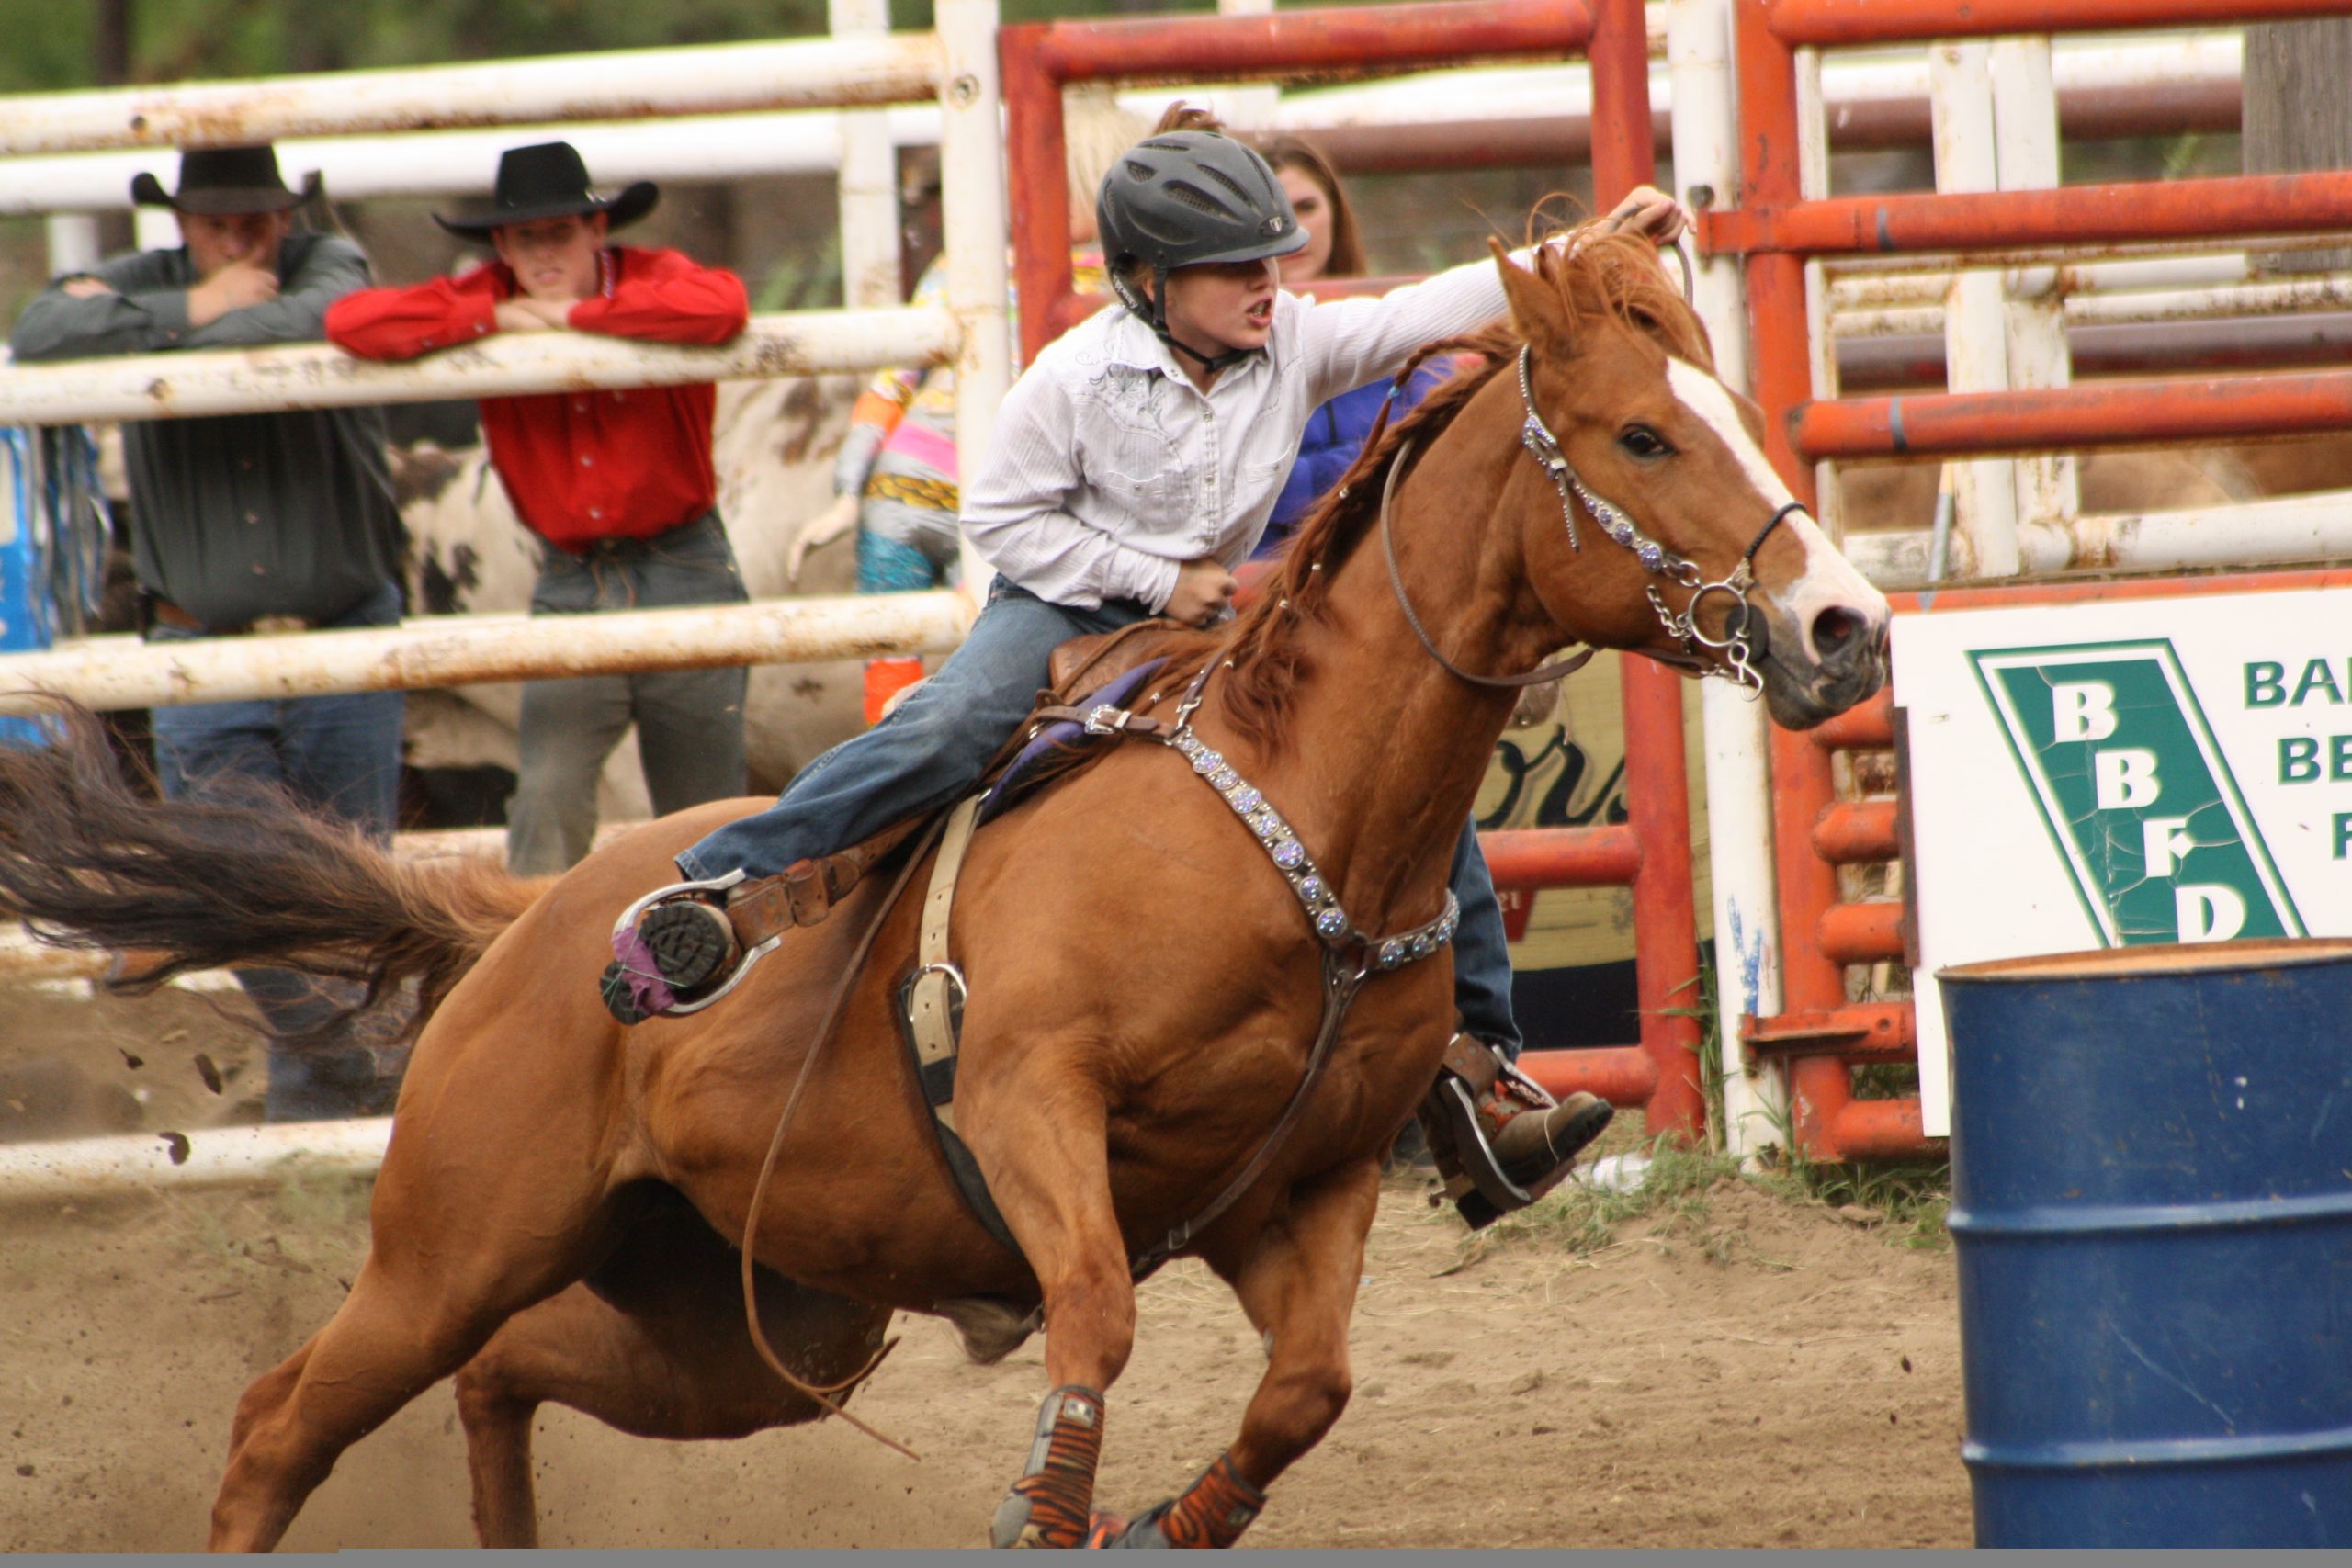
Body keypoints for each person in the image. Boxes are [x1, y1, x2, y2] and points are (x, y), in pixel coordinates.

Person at [611, 118, 1688, 1207]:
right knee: (949, 724)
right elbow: (1000, 516)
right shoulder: (1074, 376)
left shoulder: (1298, 343)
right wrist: (1154, 580)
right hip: (1065, 603)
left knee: (1407, 762)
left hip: (1209, 619)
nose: (1267, 285)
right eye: (1234, 271)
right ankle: (726, 880)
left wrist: (1598, 244)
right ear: (1147, 281)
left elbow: (1432, 306)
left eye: (1270, 259)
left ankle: (1480, 1077)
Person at [11, 144, 410, 1122]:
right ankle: (345, 1090)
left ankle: (317, 1112)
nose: (241, 237)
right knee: (237, 879)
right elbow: (43, 330)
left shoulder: (328, 265)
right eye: (220, 219)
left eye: (258, 217)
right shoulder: (161, 283)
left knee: (343, 877)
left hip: (335, 633)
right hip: (206, 642)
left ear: (286, 216)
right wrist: (198, 309)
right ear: (182, 222)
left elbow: (321, 317)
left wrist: (158, 335)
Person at [325, 141, 753, 876]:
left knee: (702, 805)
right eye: (528, 237)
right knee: (549, 796)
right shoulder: (493, 295)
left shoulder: (655, 276)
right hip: (572, 575)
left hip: (682, 560)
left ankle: (719, 964)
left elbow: (723, 305)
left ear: (596, 231)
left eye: (560, 232)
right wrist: (500, 317)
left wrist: (574, 317)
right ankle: (529, 969)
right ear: (502, 244)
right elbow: (355, 323)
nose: (544, 250)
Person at [786, 88, 1145, 724]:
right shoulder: (1124, 288)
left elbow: (894, 381)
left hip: (894, 488)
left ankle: (890, 770)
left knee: (891, 647)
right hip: (991, 499)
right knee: (987, 649)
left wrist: (849, 487)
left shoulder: (964, 268)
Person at [1252, 132, 1447, 562]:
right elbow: (1235, 485)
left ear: (1335, 215)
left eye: (1306, 207)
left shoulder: (1389, 320)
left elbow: (1437, 446)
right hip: (1258, 579)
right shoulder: (1220, 337)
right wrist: (1375, 458)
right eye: (1274, 212)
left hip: (1386, 563)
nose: (1294, 228)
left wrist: (1304, 475)